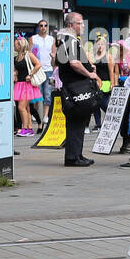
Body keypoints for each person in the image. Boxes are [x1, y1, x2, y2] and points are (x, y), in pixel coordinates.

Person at [56, 12, 100, 167]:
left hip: (73, 87)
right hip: (76, 88)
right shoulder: (69, 41)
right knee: (76, 121)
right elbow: (74, 63)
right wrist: (89, 73)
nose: (82, 26)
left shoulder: (67, 41)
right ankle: (73, 157)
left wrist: (88, 65)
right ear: (71, 25)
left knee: (78, 122)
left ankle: (76, 155)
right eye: (80, 23)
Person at [11, 37, 42, 136]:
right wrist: (15, 74)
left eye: (16, 44)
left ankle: (25, 128)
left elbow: (38, 64)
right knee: (27, 108)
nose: (14, 46)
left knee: (21, 107)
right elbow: (16, 69)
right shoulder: (16, 57)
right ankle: (29, 128)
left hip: (27, 84)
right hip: (19, 84)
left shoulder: (28, 55)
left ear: (20, 45)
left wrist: (31, 74)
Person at [30, 19, 56, 118]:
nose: (43, 27)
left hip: (49, 71)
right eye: (41, 25)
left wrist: (54, 70)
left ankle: (45, 116)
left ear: (47, 27)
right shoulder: (33, 38)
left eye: (45, 25)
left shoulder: (52, 39)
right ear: (38, 27)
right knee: (37, 94)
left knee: (48, 94)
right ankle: (35, 114)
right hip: (38, 70)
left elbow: (54, 56)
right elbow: (29, 54)